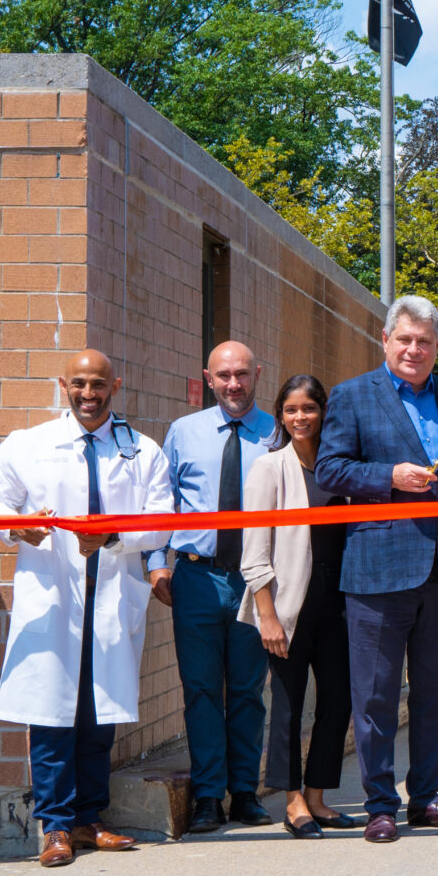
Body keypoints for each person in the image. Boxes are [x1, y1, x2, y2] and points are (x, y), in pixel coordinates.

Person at [0, 349, 175, 866]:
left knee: (97, 717)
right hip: (54, 596)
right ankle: (56, 826)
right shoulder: (31, 445)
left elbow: (162, 518)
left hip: (111, 596)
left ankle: (90, 819)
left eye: (99, 384)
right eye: (80, 384)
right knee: (51, 716)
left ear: (116, 385)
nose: (89, 394)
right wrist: (16, 526)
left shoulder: (141, 449)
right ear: (64, 384)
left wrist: (113, 536)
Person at [315, 295, 438, 843]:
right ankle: (380, 803)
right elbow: (330, 469)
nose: (414, 350)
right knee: (377, 694)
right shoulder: (351, 396)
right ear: (385, 341)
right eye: (405, 340)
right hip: (377, 566)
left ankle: (427, 797)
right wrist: (389, 475)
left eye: (425, 342)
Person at [153, 341, 275, 834]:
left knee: (248, 691)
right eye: (223, 375)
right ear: (207, 377)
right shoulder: (184, 432)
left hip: (256, 579)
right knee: (201, 690)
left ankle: (245, 792)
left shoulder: (277, 432)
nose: (233, 384)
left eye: (242, 374)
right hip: (198, 577)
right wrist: (157, 563)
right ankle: (208, 796)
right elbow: (162, 502)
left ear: (257, 373)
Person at [238, 375, 358, 838]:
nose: (300, 418)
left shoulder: (339, 468)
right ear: (280, 415)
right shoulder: (269, 468)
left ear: (323, 411)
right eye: (290, 410)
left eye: (308, 408)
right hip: (288, 603)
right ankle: (291, 802)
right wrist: (266, 615)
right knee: (288, 704)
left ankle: (318, 796)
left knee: (338, 699)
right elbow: (255, 550)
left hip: (340, 599)